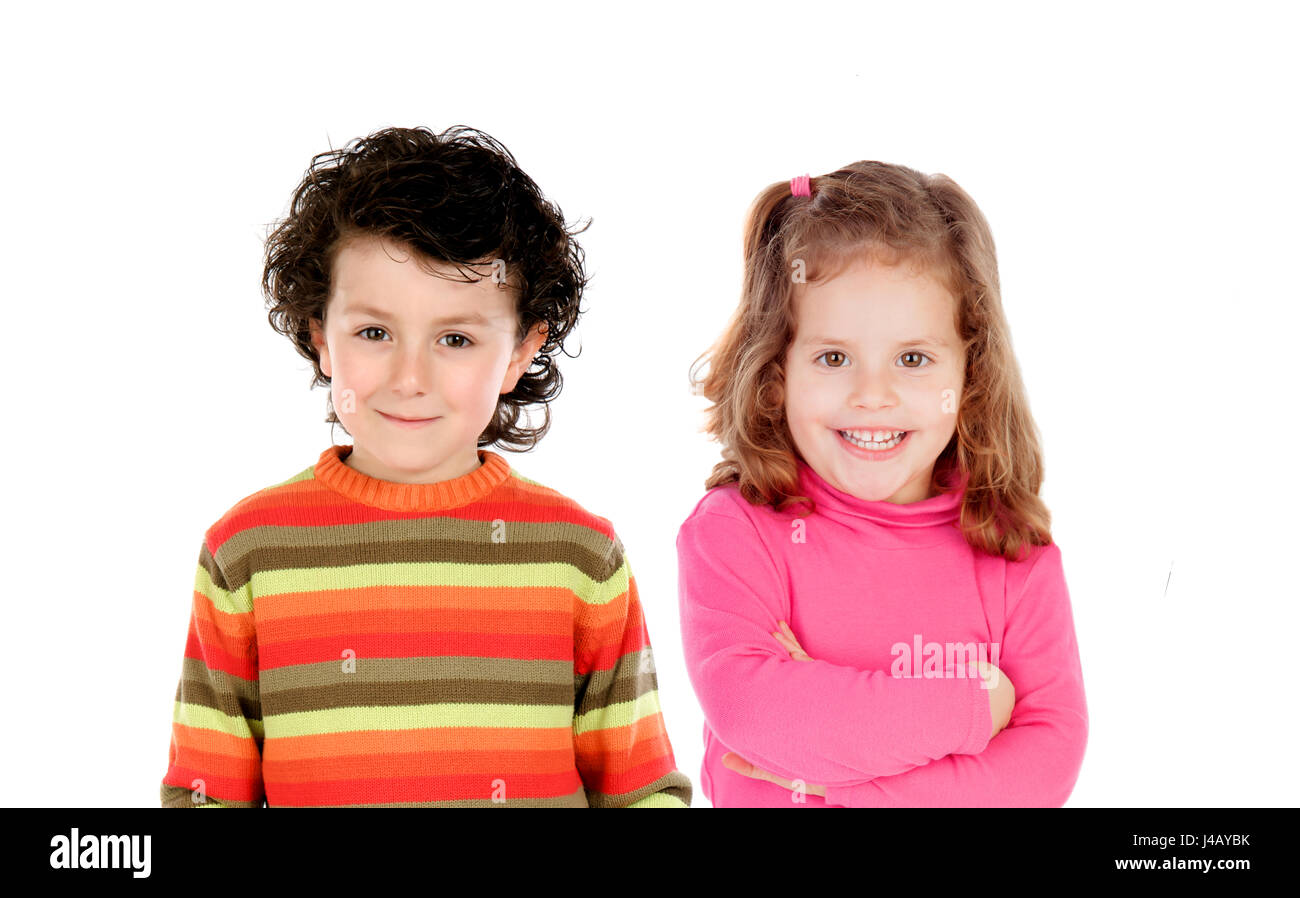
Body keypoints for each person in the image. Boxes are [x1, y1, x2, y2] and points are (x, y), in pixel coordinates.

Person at [160, 125, 691, 807]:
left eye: (456, 338)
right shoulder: (247, 552)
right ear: (322, 335)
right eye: (374, 332)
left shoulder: (579, 555)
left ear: (522, 351)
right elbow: (204, 795)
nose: (410, 378)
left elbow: (641, 790)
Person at [676, 164, 1087, 807]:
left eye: (913, 359)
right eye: (833, 357)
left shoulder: (1014, 552)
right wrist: (977, 706)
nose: (873, 396)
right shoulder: (736, 531)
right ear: (778, 370)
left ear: (970, 374)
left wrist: (835, 774)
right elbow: (760, 718)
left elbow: (1041, 774)